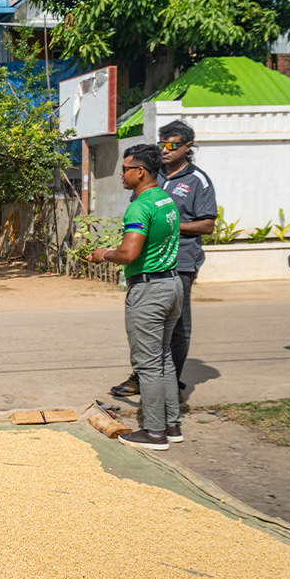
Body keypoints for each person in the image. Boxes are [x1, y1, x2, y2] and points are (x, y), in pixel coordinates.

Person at [110, 120, 215, 402]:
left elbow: (207, 225)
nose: (165, 150)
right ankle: (143, 377)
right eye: (162, 144)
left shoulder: (198, 180)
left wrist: (168, 225)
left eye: (172, 145)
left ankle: (170, 384)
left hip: (180, 261)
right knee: (144, 326)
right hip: (147, 261)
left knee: (176, 326)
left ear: (188, 147)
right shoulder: (150, 175)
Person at [87, 144, 183, 450]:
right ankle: (171, 424)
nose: (121, 174)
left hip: (149, 289)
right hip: (172, 284)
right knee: (164, 357)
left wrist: (104, 254)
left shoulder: (140, 206)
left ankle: (154, 432)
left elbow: (129, 253)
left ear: (140, 172)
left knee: (148, 364)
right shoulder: (165, 199)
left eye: (125, 169)